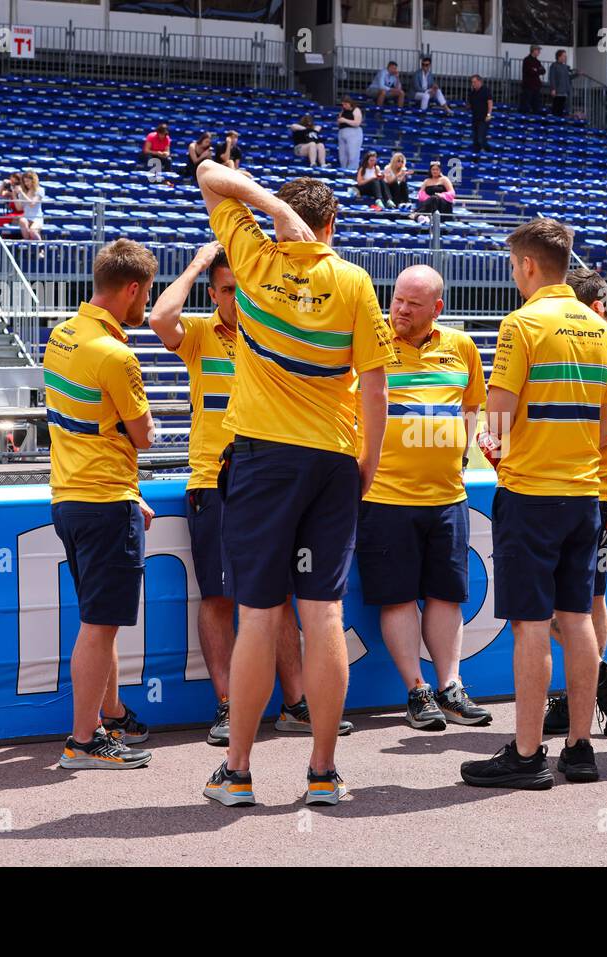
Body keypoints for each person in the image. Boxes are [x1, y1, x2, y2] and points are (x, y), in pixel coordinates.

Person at [195, 159, 394, 807]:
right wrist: (365, 463)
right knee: (323, 613)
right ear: (332, 224)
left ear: (283, 222)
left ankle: (241, 772)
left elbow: (205, 171)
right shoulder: (357, 282)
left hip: (263, 461)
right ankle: (323, 773)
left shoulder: (252, 257)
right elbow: (374, 384)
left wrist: (264, 205)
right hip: (334, 462)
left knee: (258, 614)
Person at [148, 242, 349, 747]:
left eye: (244, 287)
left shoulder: (278, 332)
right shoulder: (198, 333)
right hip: (215, 481)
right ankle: (227, 704)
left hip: (272, 481)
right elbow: (159, 318)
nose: (238, 298)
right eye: (228, 290)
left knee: (277, 597)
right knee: (219, 596)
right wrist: (196, 264)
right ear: (214, 293)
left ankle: (296, 703)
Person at [459, 217, 607, 791]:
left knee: (531, 626)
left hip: (531, 492)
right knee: (576, 618)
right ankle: (580, 748)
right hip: (585, 493)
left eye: (512, 266)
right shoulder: (602, 329)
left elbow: (497, 418)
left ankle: (528, 754)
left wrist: (498, 447)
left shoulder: (520, 324)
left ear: (528, 265)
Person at [357, 264, 491, 730]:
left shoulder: (461, 347)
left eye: (413, 304)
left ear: (436, 308)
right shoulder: (370, 342)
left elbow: (472, 405)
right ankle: (417, 691)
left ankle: (450, 686)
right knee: (396, 598)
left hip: (448, 496)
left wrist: (461, 455)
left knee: (446, 595)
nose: (401, 310)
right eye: (396, 299)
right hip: (385, 496)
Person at [46, 238, 159, 770]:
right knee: (99, 626)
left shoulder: (62, 333)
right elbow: (145, 436)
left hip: (71, 495)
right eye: (146, 295)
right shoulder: (117, 353)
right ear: (132, 289)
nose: (147, 307)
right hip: (103, 500)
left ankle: (110, 716)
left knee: (100, 620)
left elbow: (86, 425)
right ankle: (83, 741)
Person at [541, 266, 607, 740]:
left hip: (594, 492)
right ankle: (589, 685)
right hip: (584, 489)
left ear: (598, 309)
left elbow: (604, 433)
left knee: (574, 602)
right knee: (577, 600)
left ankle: (589, 685)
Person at [16, 171, 45, 242]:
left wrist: (22, 193)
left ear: (33, 180)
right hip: (27, 218)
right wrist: (14, 194)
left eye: (28, 181)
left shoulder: (40, 190)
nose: (26, 183)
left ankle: (41, 249)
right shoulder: (23, 192)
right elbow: (19, 208)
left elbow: (32, 204)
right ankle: (28, 245)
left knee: (32, 231)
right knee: (22, 220)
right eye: (25, 181)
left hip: (37, 218)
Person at [336, 96, 363, 171]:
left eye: (345, 104)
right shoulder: (342, 111)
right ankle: (343, 170)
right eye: (343, 104)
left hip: (353, 132)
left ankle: (352, 172)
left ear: (349, 103)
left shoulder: (356, 110)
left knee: (352, 155)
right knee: (342, 156)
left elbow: (357, 123)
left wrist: (345, 120)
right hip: (342, 132)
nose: (344, 106)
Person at [468, 74, 493, 153]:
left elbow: (490, 102)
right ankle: (475, 159)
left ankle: (489, 151)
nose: (473, 84)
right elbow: (470, 104)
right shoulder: (472, 93)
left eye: (474, 82)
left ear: (479, 81)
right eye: (472, 82)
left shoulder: (485, 90)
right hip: (475, 118)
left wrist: (489, 114)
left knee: (481, 138)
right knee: (475, 140)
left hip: (483, 119)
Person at [521, 45, 545, 113]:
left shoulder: (537, 61)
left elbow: (543, 71)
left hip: (536, 86)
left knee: (536, 104)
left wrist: (536, 70)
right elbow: (530, 71)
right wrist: (537, 70)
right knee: (526, 103)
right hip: (528, 85)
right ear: (533, 50)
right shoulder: (527, 60)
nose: (539, 52)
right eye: (538, 50)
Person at [548, 50, 572, 117]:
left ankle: (559, 123)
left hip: (564, 91)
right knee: (556, 108)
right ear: (559, 56)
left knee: (561, 109)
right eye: (564, 56)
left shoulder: (565, 67)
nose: (565, 57)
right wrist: (553, 89)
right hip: (557, 91)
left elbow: (568, 77)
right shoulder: (554, 65)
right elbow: (552, 77)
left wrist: (577, 74)